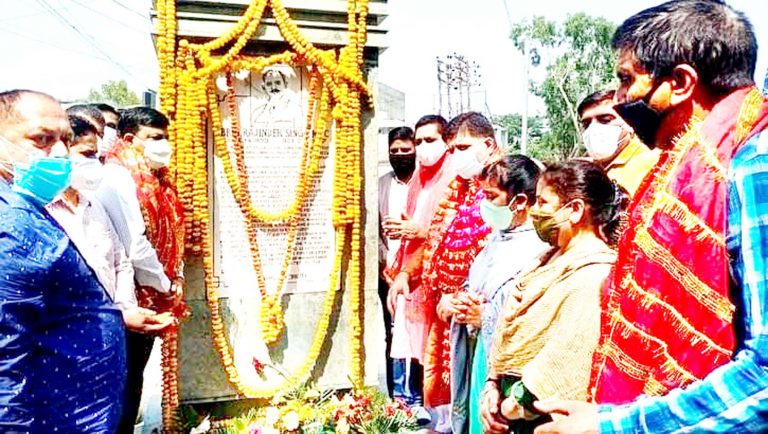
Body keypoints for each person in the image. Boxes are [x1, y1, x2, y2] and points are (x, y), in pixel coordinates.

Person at [534, 1, 768, 433]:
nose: (620, 99)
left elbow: (765, 376)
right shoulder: (681, 168)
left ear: (680, 83)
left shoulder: (752, 166)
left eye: (627, 80)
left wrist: (615, 426)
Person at [0, 89, 126, 431]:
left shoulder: (23, 207)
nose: (59, 153)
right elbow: (5, 353)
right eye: (42, 139)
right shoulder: (9, 222)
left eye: (65, 140)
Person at [479, 160, 625, 434]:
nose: (534, 211)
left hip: (545, 420)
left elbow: (566, 359)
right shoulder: (546, 260)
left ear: (575, 210)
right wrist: (492, 385)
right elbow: (508, 332)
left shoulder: (593, 275)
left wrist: (514, 405)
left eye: (543, 203)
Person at [391, 111, 501, 432]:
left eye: (463, 148)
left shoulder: (508, 184)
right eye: (452, 149)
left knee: (485, 401)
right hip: (450, 312)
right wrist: (407, 274)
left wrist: (472, 301)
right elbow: (437, 241)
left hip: (485, 313)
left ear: (489, 145)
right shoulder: (460, 187)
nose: (456, 156)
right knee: (455, 400)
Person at [97, 106, 185, 433]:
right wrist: (165, 284)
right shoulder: (118, 177)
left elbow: (172, 231)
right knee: (124, 384)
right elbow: (135, 244)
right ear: (130, 139)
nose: (163, 145)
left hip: (148, 291)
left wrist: (174, 275)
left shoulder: (157, 179)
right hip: (128, 298)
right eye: (155, 138)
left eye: (165, 137)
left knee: (132, 380)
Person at [47, 115, 174, 333]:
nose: (95, 163)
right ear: (58, 154)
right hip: (66, 330)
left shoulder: (93, 204)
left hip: (110, 325)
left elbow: (121, 262)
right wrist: (164, 285)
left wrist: (123, 310)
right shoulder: (41, 210)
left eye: (97, 155)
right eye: (87, 154)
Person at [450, 155, 549, 434]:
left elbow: (532, 314)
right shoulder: (496, 239)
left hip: (509, 369)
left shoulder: (539, 250)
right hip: (482, 354)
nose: (484, 204)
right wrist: (464, 301)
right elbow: (477, 285)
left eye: (491, 196)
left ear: (520, 201)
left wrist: (486, 316)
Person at [386, 114, 454, 408]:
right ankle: (427, 410)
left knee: (441, 355)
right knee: (421, 353)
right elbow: (413, 228)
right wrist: (403, 272)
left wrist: (421, 232)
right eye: (420, 141)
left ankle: (445, 415)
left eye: (430, 140)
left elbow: (456, 233)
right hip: (416, 277)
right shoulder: (419, 179)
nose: (423, 147)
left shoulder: (455, 178)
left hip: (445, 283)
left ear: (446, 142)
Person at [378, 125, 417, 398]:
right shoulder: (381, 185)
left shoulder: (425, 183)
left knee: (417, 333)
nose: (400, 155)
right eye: (395, 150)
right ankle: (397, 397)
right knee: (391, 333)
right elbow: (374, 230)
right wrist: (384, 264)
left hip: (417, 273)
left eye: (406, 149)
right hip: (387, 274)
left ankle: (417, 394)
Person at [577, 89, 658, 196]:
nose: (593, 128)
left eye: (606, 119)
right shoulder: (583, 172)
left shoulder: (651, 165)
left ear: (630, 123)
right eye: (587, 124)